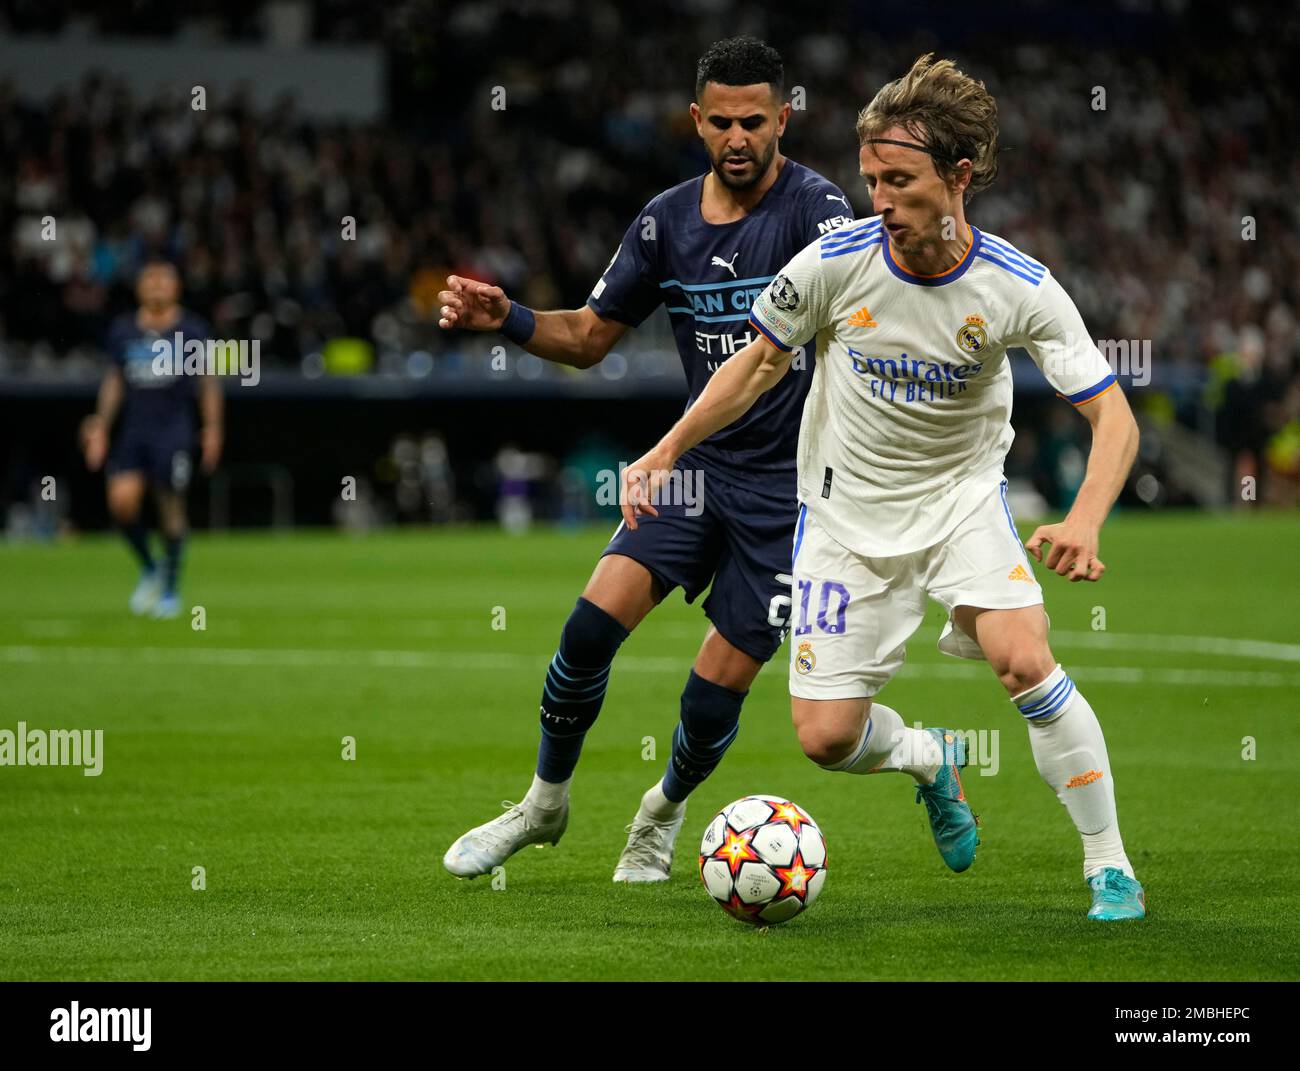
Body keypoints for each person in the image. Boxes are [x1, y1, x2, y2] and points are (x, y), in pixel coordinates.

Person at [620, 54, 1145, 920]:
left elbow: (1113, 417)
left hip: (960, 505)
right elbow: (755, 366)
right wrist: (667, 448)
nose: (880, 200)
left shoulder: (1017, 287)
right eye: (870, 179)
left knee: (1024, 658)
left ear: (958, 176)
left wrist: (1084, 521)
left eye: (899, 180)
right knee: (825, 738)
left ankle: (1108, 864)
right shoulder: (834, 263)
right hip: (841, 522)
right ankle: (932, 760)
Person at [439, 37, 970, 885]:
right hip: (695, 474)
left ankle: (660, 814)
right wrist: (508, 316)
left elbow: (877, 306)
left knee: (711, 689)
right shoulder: (665, 220)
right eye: (720, 121)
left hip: (791, 500)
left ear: (782, 118)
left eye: (754, 121)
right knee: (586, 632)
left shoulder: (818, 212)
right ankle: (543, 804)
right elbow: (587, 336)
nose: (737, 136)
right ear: (695, 120)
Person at [83, 261, 223, 619]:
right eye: (150, 279)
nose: (157, 286)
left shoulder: (192, 330)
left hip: (173, 430)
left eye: (164, 280)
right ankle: (150, 566)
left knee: (170, 506)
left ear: (176, 287)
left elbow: (207, 383)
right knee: (121, 503)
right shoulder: (124, 330)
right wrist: (100, 425)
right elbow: (114, 381)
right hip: (134, 430)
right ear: (139, 287)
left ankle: (171, 591)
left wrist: (212, 428)